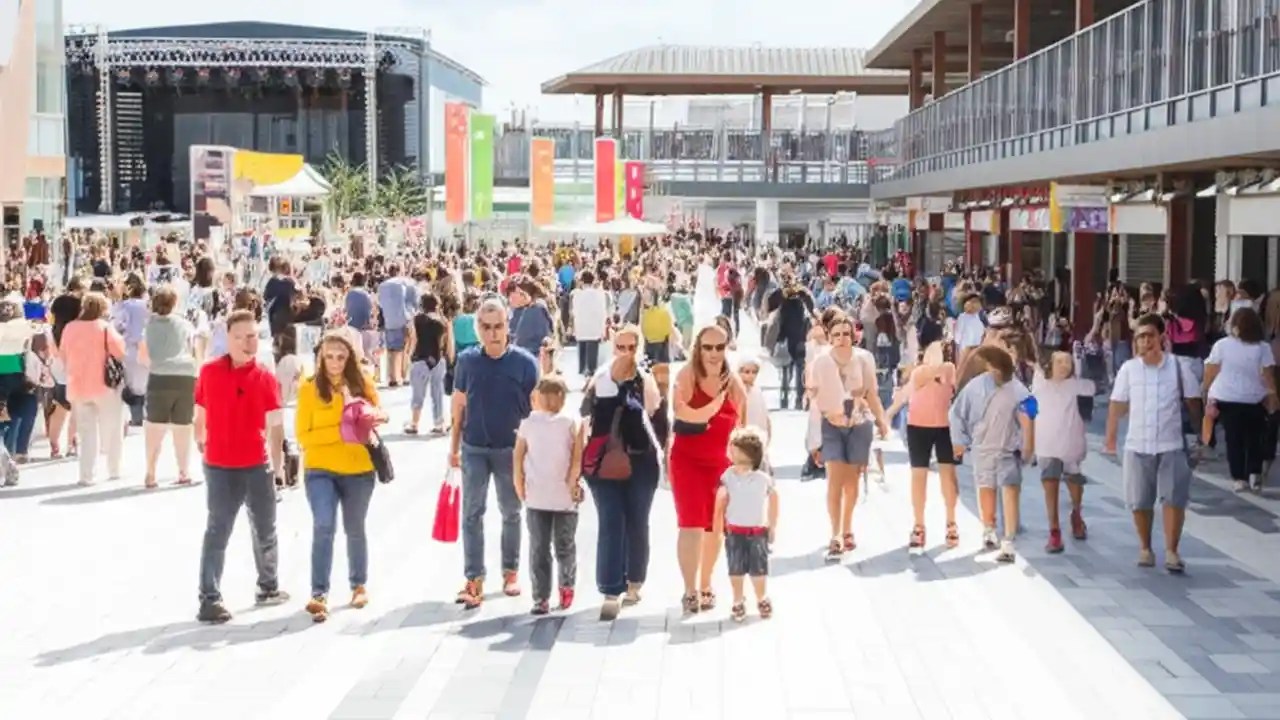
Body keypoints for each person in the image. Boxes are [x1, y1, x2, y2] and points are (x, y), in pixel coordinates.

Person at [194, 309, 289, 623]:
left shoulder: (265, 377)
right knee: (217, 531)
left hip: (255, 463)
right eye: (241, 337)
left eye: (253, 336)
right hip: (219, 465)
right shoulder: (209, 372)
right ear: (228, 338)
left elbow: (275, 427)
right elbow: (201, 411)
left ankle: (268, 586)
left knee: (265, 530)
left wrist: (277, 468)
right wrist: (201, 439)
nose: (249, 343)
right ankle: (209, 598)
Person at [450, 297, 539, 609]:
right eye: (486, 327)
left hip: (510, 450)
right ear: (478, 329)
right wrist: (453, 447)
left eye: (498, 326)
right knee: (472, 514)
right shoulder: (467, 361)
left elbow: (536, 408)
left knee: (511, 512)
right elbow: (459, 403)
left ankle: (510, 571)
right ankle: (474, 577)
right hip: (474, 447)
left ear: (508, 326)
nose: (493, 333)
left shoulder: (525, 363)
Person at [295, 331, 385, 623]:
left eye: (340, 357)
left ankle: (358, 584)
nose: (334, 362)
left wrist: (367, 415)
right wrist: (342, 429)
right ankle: (319, 592)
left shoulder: (362, 383)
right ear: (321, 357)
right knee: (323, 524)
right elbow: (303, 436)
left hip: (358, 469)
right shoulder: (309, 388)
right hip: (320, 469)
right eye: (329, 356)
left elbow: (380, 414)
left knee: (355, 527)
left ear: (349, 359)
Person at [1104, 313, 1202, 573]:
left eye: (1149, 336)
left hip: (1171, 444)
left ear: (1162, 338)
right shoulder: (1128, 369)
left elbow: (1193, 402)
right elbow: (1117, 405)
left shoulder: (1179, 367)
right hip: (1138, 443)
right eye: (1139, 337)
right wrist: (1111, 438)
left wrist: (1202, 437)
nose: (1144, 342)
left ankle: (1172, 551)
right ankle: (1145, 547)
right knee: (1140, 501)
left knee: (1173, 500)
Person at [580, 326, 663, 620]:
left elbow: (654, 414)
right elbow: (585, 419)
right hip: (603, 463)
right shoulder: (600, 378)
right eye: (621, 346)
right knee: (611, 521)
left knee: (637, 521)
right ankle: (610, 590)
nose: (626, 352)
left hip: (641, 461)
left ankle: (634, 581)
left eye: (632, 346)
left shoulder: (645, 378)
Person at [670, 323, 745, 614]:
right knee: (690, 524)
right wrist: (713, 407)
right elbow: (682, 411)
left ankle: (705, 584)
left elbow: (744, 426)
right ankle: (690, 590)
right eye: (708, 347)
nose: (714, 354)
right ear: (698, 349)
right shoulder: (687, 376)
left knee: (715, 528)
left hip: (721, 463)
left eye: (719, 347)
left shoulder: (733, 383)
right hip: (688, 461)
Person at [811, 314, 888, 559]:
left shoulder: (864, 358)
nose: (843, 339)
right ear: (829, 336)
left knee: (852, 481)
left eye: (847, 333)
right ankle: (834, 533)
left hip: (859, 422)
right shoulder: (821, 360)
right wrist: (813, 438)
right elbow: (813, 399)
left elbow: (872, 393)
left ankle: (847, 527)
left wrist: (882, 421)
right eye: (837, 334)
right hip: (831, 423)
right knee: (834, 477)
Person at [950, 345, 1034, 562]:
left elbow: (1029, 417)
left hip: (1009, 450)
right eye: (994, 370)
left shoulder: (1019, 390)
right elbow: (958, 412)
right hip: (982, 447)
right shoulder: (975, 386)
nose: (997, 374)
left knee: (1010, 491)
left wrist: (1028, 446)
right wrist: (959, 441)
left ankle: (1009, 540)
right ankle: (989, 529)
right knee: (986, 488)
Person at [514, 376, 581, 615]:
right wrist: (518, 483)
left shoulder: (571, 422)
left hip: (564, 497)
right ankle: (541, 596)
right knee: (539, 547)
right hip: (537, 495)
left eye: (557, 394)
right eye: (547, 394)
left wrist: (573, 482)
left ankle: (566, 586)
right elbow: (518, 455)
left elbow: (577, 455)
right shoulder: (529, 423)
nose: (552, 400)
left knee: (563, 545)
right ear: (538, 398)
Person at [1201, 307, 1277, 493]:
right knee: (1254, 437)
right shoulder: (1263, 347)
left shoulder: (1222, 345)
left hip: (1227, 396)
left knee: (1233, 438)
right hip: (1254, 398)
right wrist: (1273, 396)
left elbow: (1211, 371)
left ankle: (1239, 478)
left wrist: (1205, 390)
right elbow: (1268, 375)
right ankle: (1254, 473)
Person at [58, 292, 126, 486]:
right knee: (113, 427)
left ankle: (87, 474)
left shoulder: (70, 328)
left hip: (77, 385)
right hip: (104, 386)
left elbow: (63, 355)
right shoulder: (105, 328)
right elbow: (120, 352)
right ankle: (114, 468)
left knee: (86, 432)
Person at [1032, 352, 1096, 553]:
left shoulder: (1076, 385)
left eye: (1067, 362)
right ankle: (1054, 530)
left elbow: (1093, 387)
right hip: (1047, 444)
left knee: (1074, 481)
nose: (1064, 366)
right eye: (1058, 361)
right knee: (1050, 482)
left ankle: (1076, 513)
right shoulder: (1040, 382)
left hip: (1071, 443)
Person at [903, 329, 960, 551]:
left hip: (945, 427)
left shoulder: (949, 368)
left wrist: (937, 365)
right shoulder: (917, 372)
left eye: (939, 350)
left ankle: (951, 521)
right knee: (919, 475)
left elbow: (946, 376)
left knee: (948, 475)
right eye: (930, 350)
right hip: (917, 426)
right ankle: (918, 523)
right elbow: (920, 378)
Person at [713, 426, 777, 623]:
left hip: (758, 531)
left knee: (759, 569)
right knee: (736, 569)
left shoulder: (762, 479)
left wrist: (772, 525)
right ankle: (738, 599)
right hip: (734, 531)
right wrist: (717, 524)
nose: (730, 450)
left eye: (735, 448)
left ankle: (761, 597)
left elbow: (774, 498)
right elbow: (720, 501)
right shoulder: (728, 476)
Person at [142, 286, 198, 488]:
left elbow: (144, 352)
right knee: (183, 426)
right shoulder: (184, 324)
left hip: (159, 375)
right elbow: (194, 348)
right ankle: (183, 471)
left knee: (155, 426)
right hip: (185, 374)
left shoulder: (149, 325)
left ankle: (151, 472)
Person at [406, 293, 452, 436]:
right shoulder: (444, 321)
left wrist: (408, 357)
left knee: (418, 393)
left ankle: (414, 423)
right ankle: (439, 423)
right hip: (438, 360)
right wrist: (449, 358)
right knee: (437, 393)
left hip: (420, 358)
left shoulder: (417, 320)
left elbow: (413, 340)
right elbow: (448, 343)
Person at [570, 269, 610, 377]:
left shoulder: (576, 294)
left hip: (581, 329)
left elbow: (574, 312)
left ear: (581, 281)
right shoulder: (599, 294)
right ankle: (590, 377)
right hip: (594, 330)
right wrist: (603, 330)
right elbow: (603, 313)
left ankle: (584, 375)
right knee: (592, 361)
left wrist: (574, 329)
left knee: (583, 359)